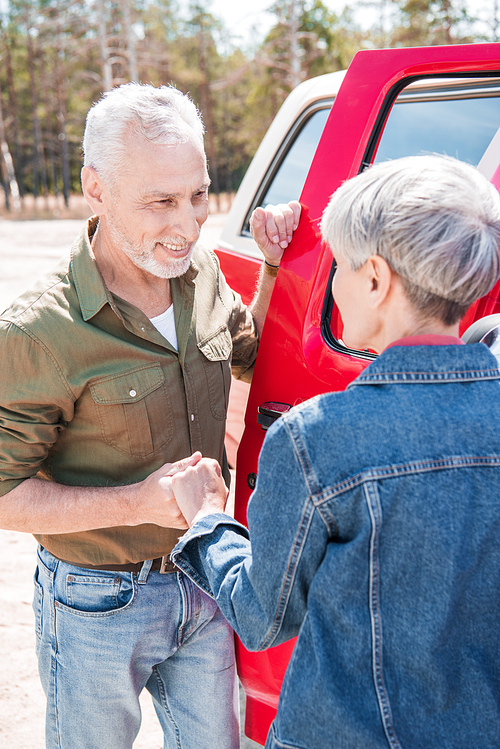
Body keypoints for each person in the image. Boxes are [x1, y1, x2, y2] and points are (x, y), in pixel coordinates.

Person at [0, 82, 300, 749]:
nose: (188, 224)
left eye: (198, 195)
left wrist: (276, 267)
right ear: (96, 188)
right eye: (160, 202)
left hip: (209, 574)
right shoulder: (38, 330)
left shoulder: (206, 273)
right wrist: (141, 499)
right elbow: (4, 495)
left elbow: (257, 358)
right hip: (96, 602)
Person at [169, 154, 500, 749]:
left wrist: (207, 522)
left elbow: (263, 617)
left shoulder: (316, 435)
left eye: (341, 266)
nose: (335, 283)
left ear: (374, 279)